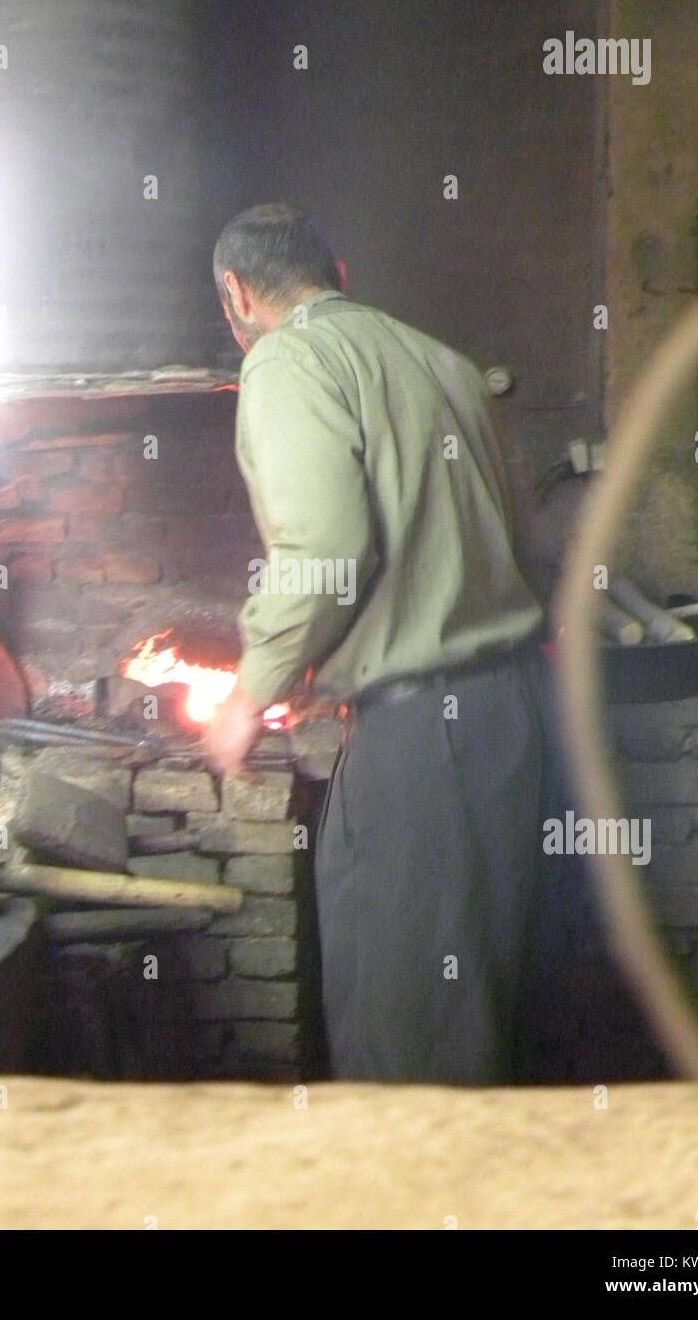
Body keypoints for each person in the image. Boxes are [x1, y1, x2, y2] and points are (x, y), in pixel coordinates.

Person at [204, 201, 550, 1084]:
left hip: (419, 742)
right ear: (341, 273)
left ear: (236, 293)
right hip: (510, 715)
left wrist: (251, 692)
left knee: (404, 1035)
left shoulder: (287, 359)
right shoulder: (447, 364)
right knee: (477, 1009)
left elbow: (324, 548)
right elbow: (507, 539)